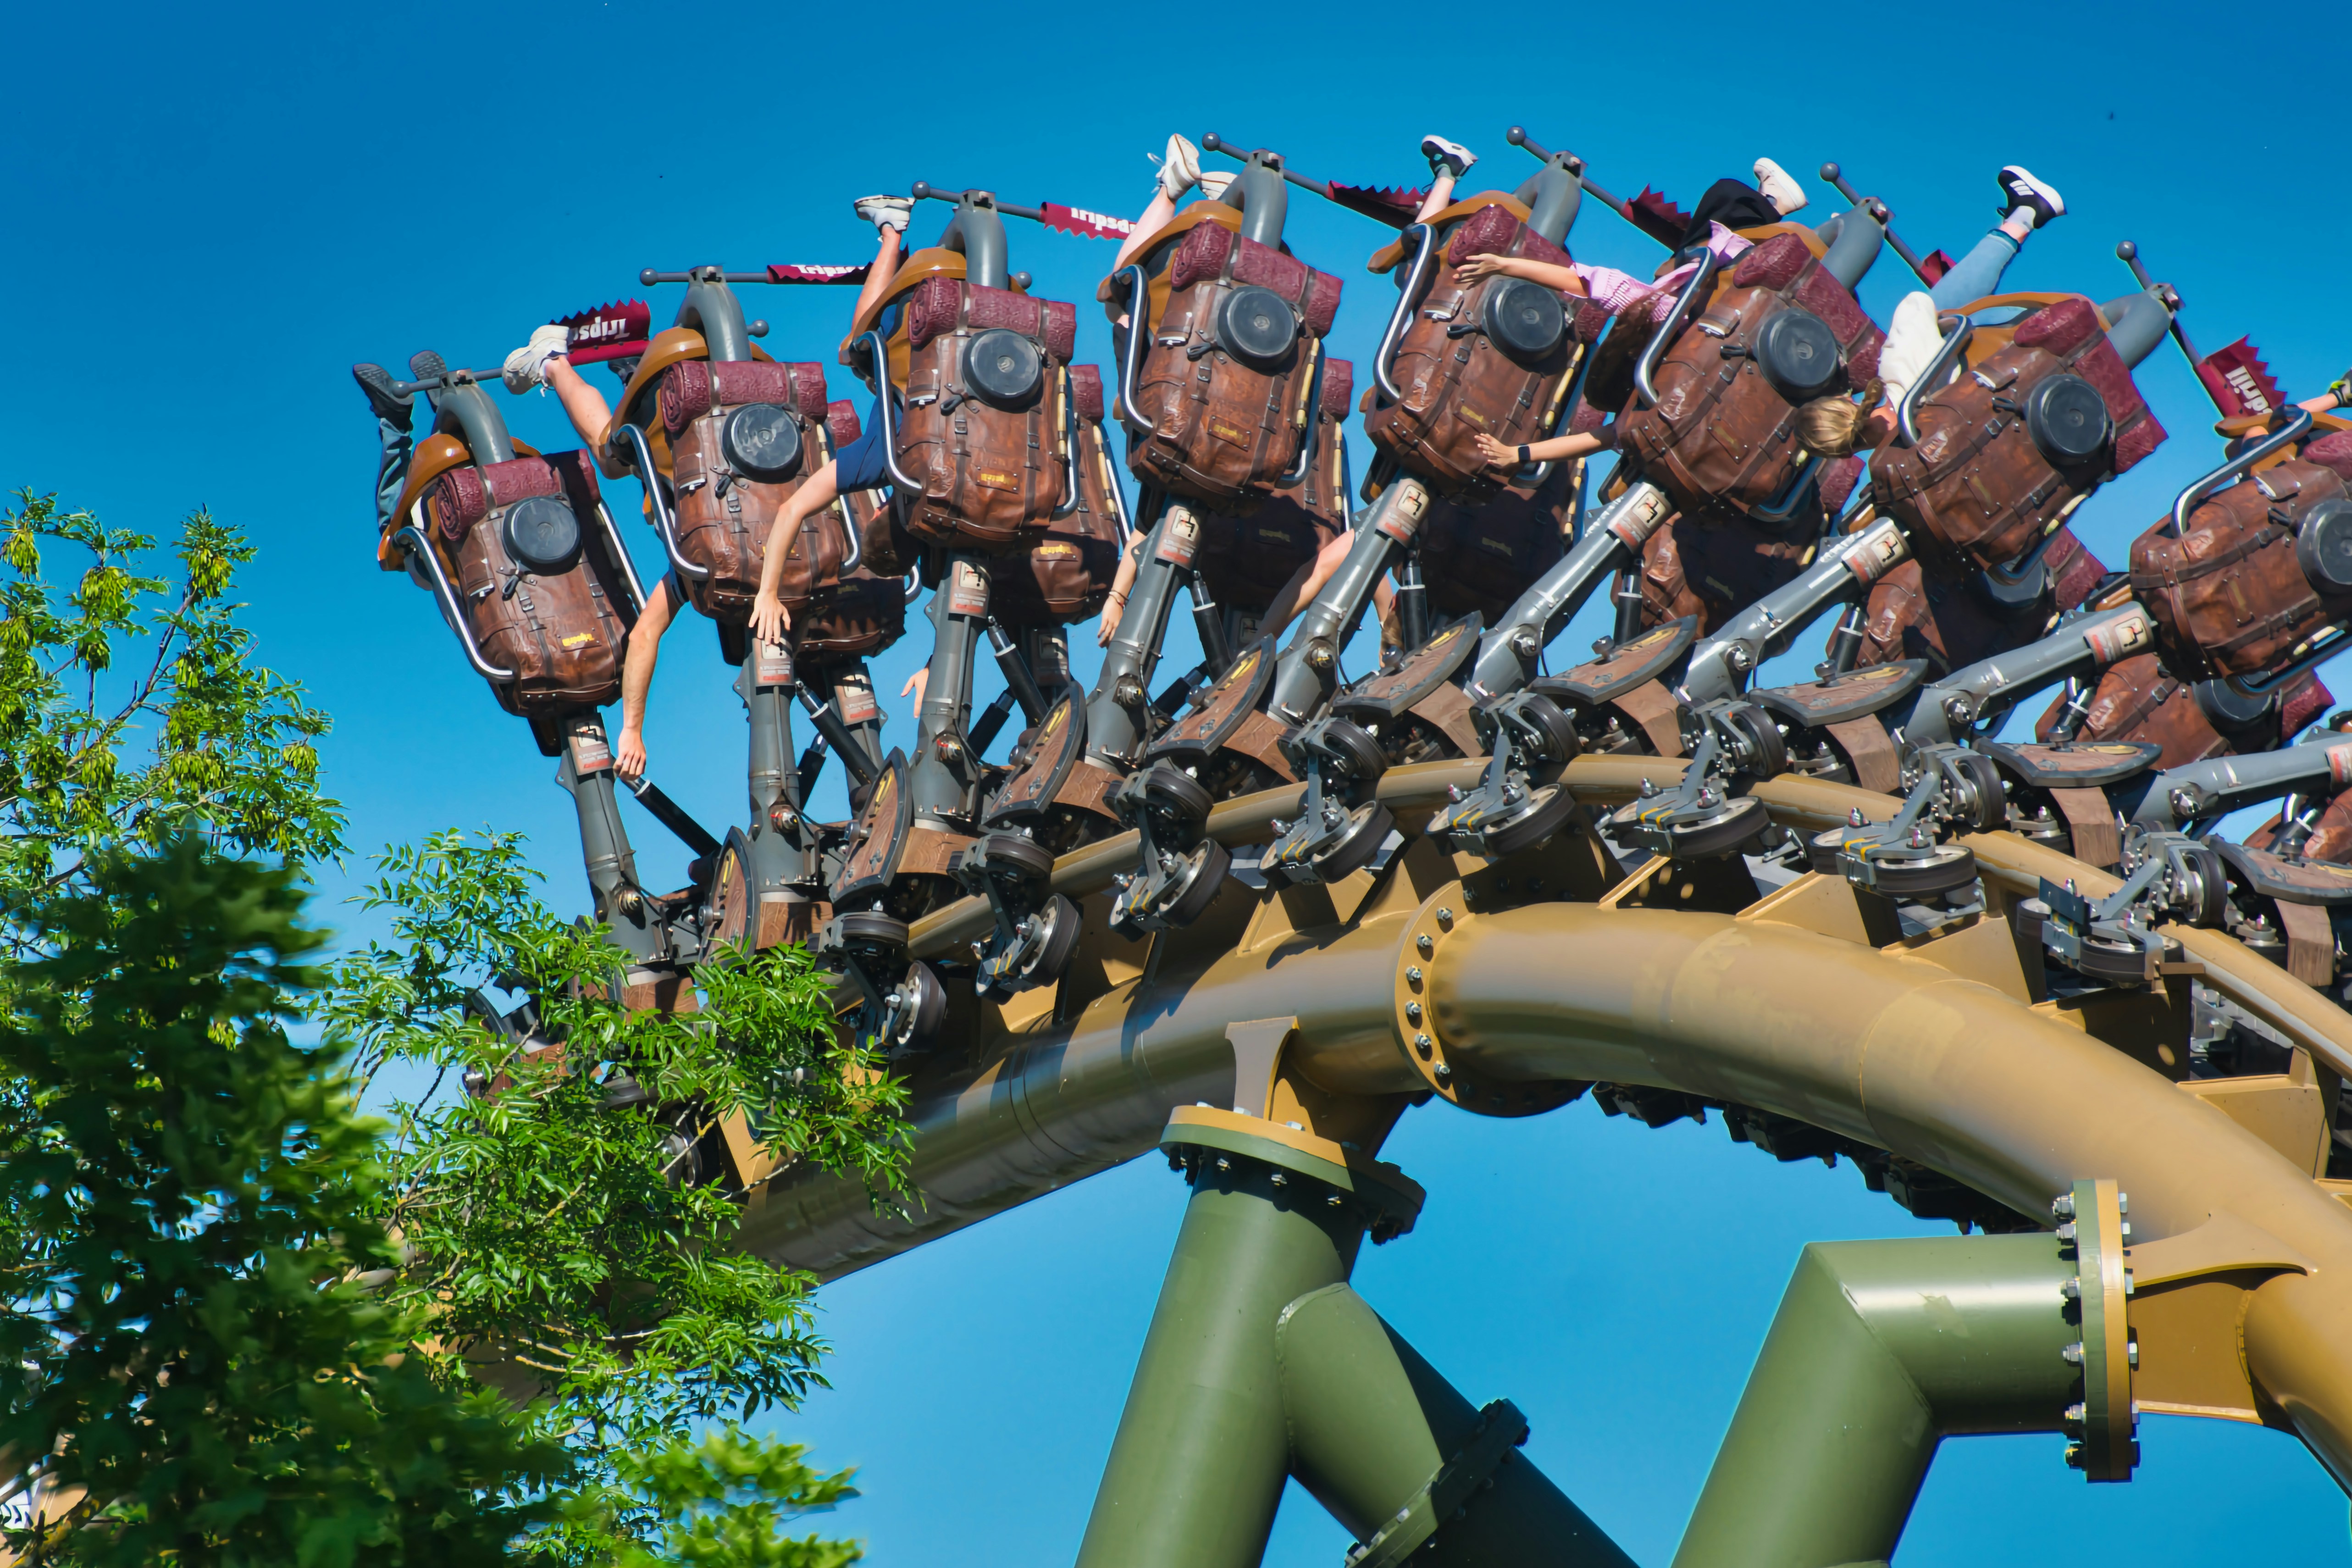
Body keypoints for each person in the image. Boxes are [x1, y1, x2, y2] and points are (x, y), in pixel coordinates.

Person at [502, 194, 915, 778]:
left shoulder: (704, 556)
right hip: (742, 415)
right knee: (621, 449)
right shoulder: (790, 527)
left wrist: (632, 727)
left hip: (729, 426)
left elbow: (648, 631)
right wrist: (631, 729)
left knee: (614, 450)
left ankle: (555, 362)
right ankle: (555, 361)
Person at [1467, 164, 2071, 474]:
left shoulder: (1702, 382)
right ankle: (2021, 214)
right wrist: (1512, 264)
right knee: (1733, 209)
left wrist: (1520, 456)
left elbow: (1608, 432)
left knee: (1904, 304)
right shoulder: (1673, 311)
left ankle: (2019, 220)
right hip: (1763, 280)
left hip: (1795, 310)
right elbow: (1596, 286)